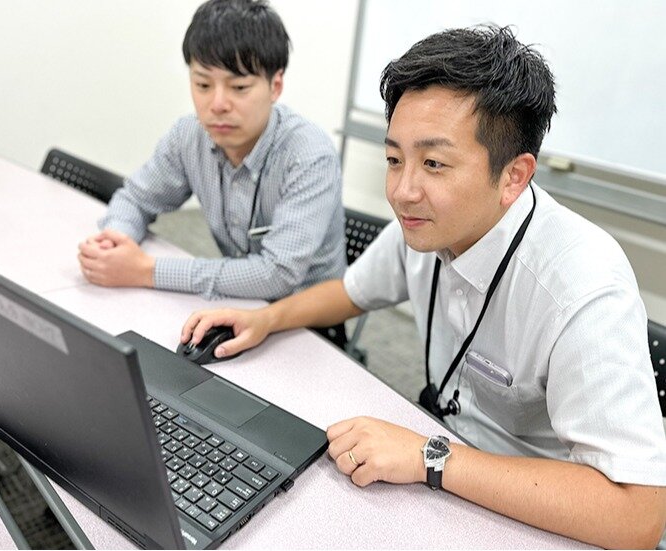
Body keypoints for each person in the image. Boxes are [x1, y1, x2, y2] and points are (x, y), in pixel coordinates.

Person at [178, 26, 666, 548]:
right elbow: (352, 293)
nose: (403, 191)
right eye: (394, 159)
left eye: (434, 163)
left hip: (544, 517)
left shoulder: (581, 287)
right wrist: (266, 319)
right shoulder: (426, 224)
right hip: (451, 477)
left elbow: (638, 515)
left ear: (513, 177)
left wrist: (429, 456)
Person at [77, 0, 345, 305]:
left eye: (239, 88)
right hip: (234, 302)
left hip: (304, 318)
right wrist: (115, 241)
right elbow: (135, 199)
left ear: (275, 86)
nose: (217, 105)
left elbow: (277, 274)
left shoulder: (309, 155)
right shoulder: (190, 136)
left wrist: (146, 271)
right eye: (203, 85)